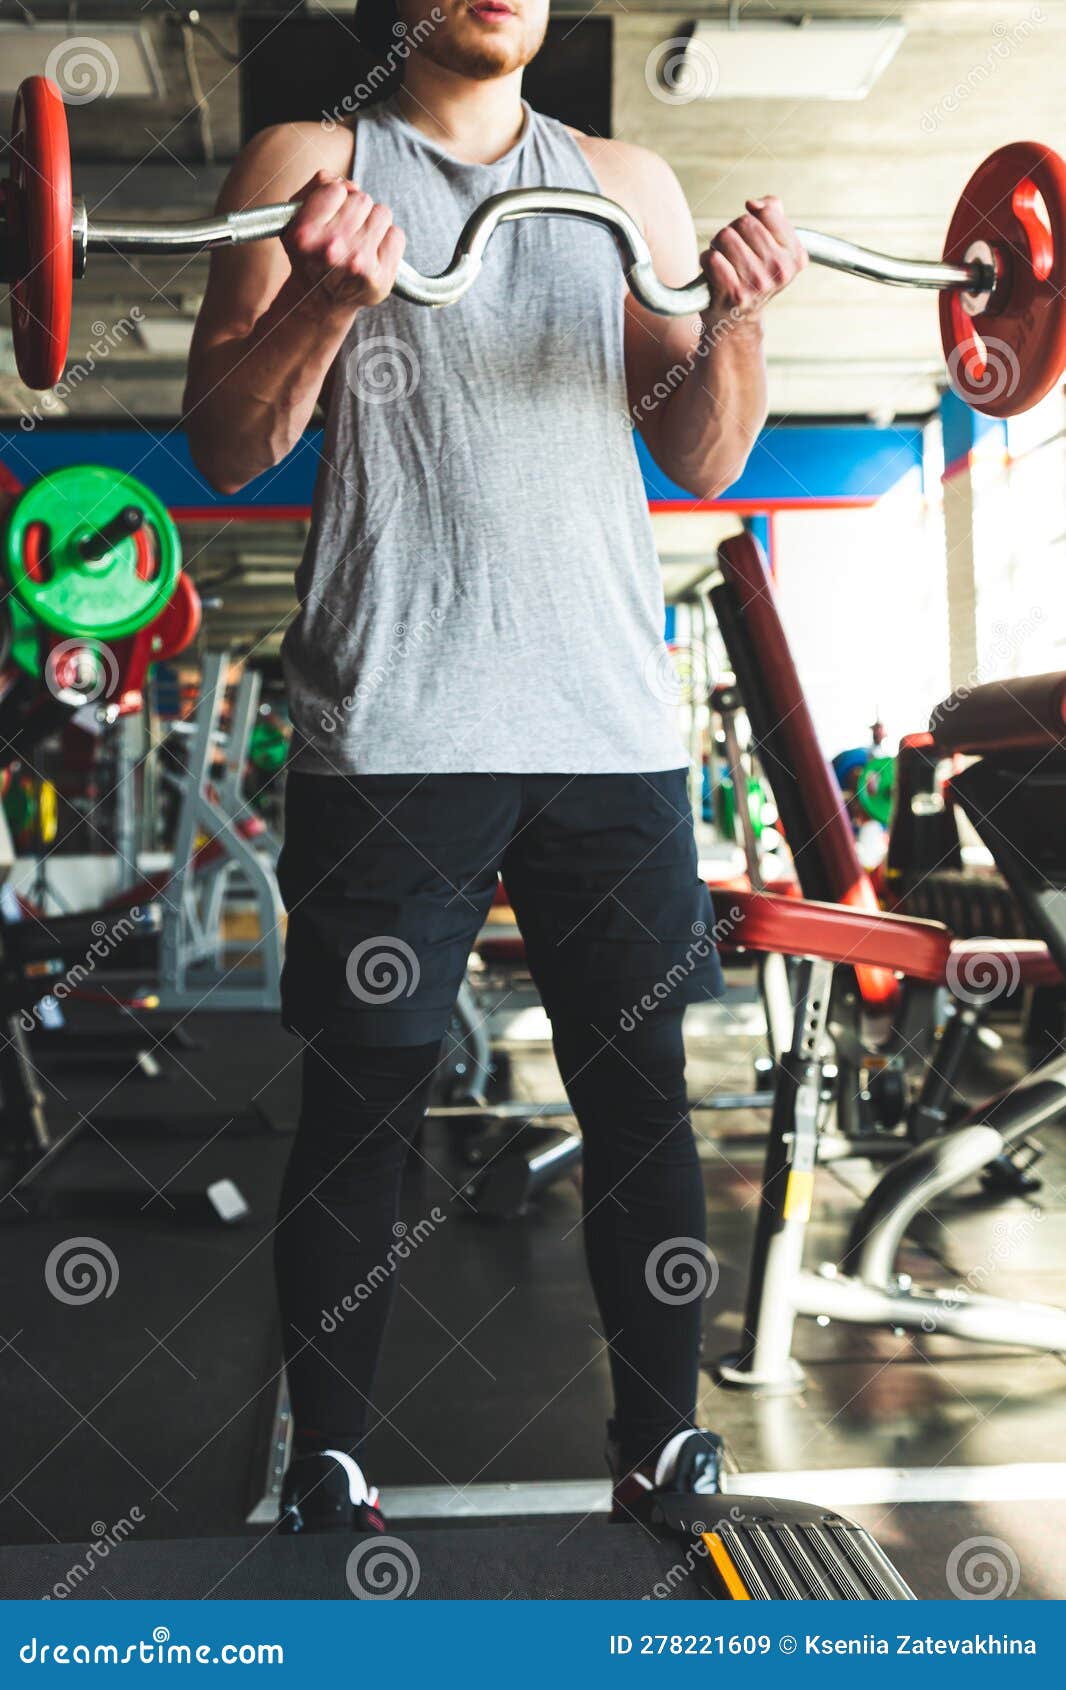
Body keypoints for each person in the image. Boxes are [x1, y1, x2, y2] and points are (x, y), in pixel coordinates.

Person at [183, 0, 805, 1535]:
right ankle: (324, 1459)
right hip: (397, 729)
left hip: (605, 729)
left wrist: (735, 316)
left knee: (640, 1099)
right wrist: (323, 303)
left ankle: (661, 1442)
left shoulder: (625, 183)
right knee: (362, 1107)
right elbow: (224, 442)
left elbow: (706, 455)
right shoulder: (309, 159)